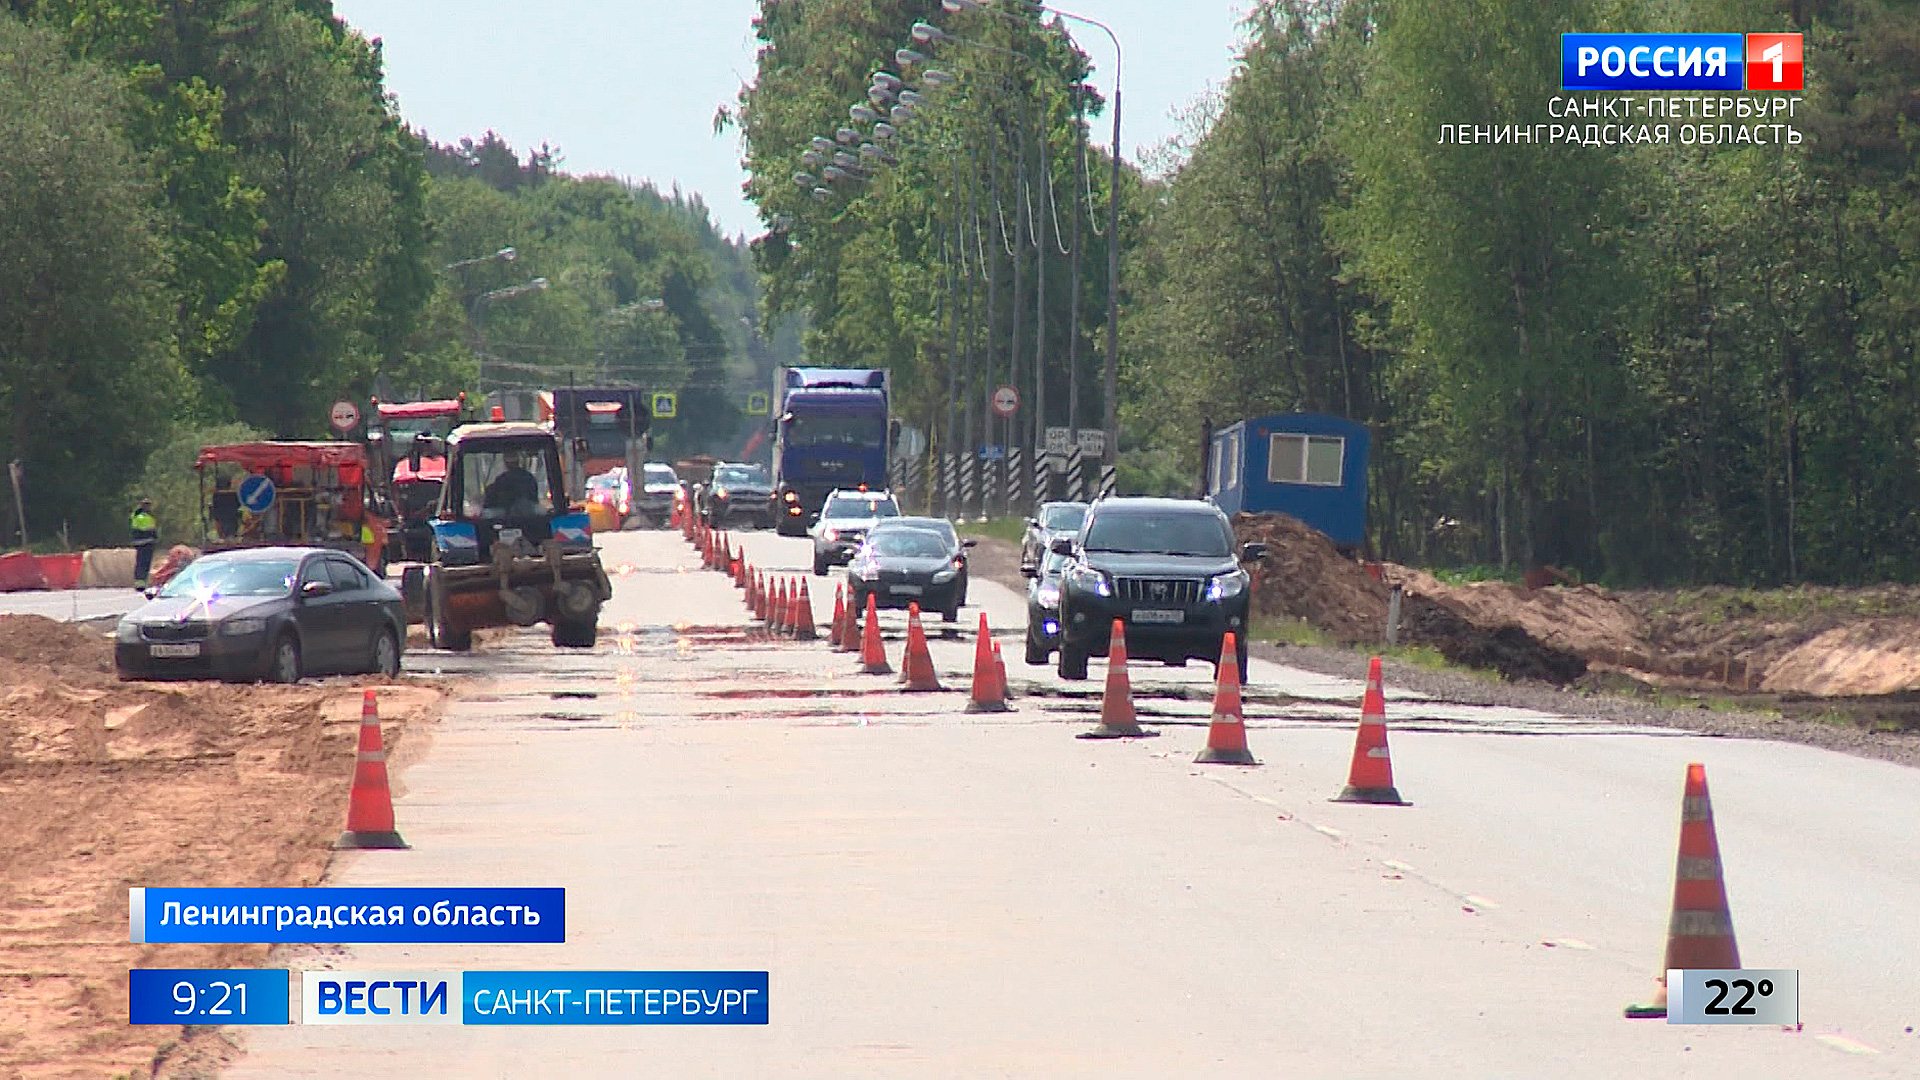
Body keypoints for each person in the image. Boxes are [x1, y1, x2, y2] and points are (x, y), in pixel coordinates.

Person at [129, 498, 159, 587]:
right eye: (146, 505)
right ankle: (139, 582)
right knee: (141, 562)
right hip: (142, 543)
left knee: (147, 563)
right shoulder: (139, 516)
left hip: (149, 542)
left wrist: (154, 538)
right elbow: (138, 529)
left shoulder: (150, 516)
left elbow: (153, 528)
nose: (148, 507)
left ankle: (144, 581)